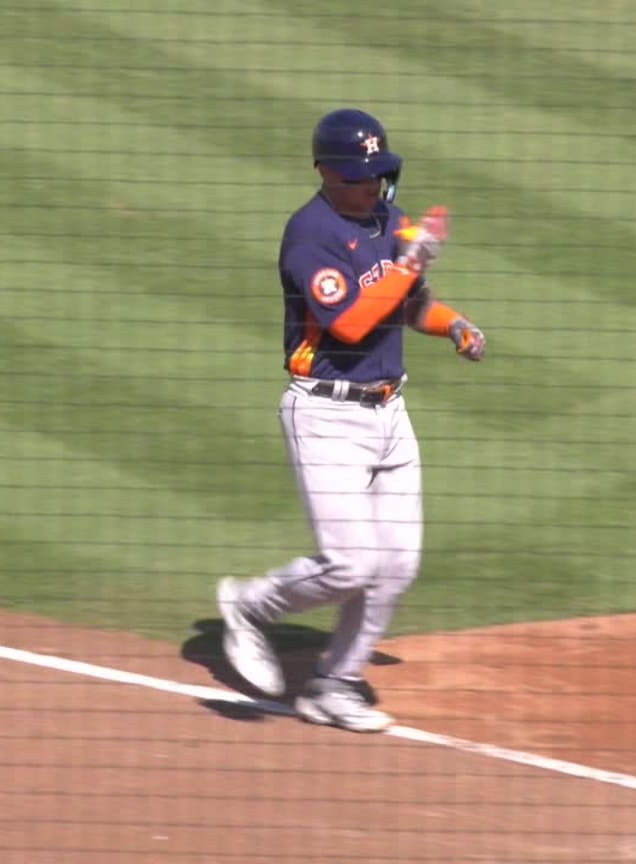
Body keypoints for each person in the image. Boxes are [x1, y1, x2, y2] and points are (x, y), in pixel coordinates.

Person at [216, 107, 486, 733]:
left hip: (390, 412)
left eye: (379, 174)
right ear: (327, 173)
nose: (373, 186)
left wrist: (454, 325)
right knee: (349, 563)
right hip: (325, 415)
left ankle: (333, 684)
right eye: (360, 176)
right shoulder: (310, 234)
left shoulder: (389, 222)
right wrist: (412, 260)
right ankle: (250, 606)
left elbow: (407, 305)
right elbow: (350, 322)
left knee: (397, 564)